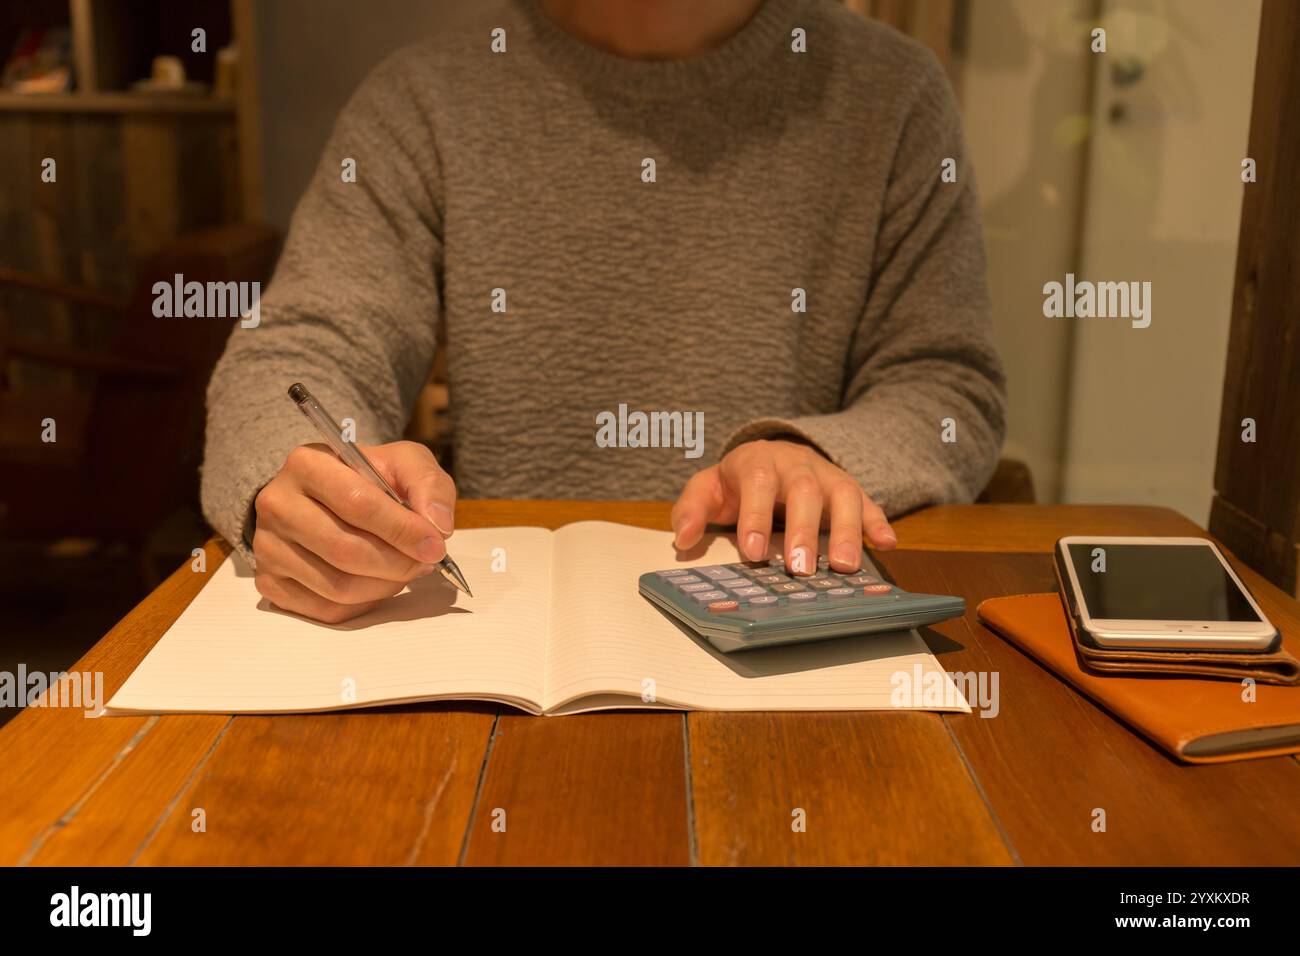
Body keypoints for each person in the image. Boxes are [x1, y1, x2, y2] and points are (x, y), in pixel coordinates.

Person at [201, 0, 1006, 624]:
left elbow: (944, 383)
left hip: (795, 618)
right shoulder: (426, 97)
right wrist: (299, 469)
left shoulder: (890, 94)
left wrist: (809, 453)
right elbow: (298, 355)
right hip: (498, 640)